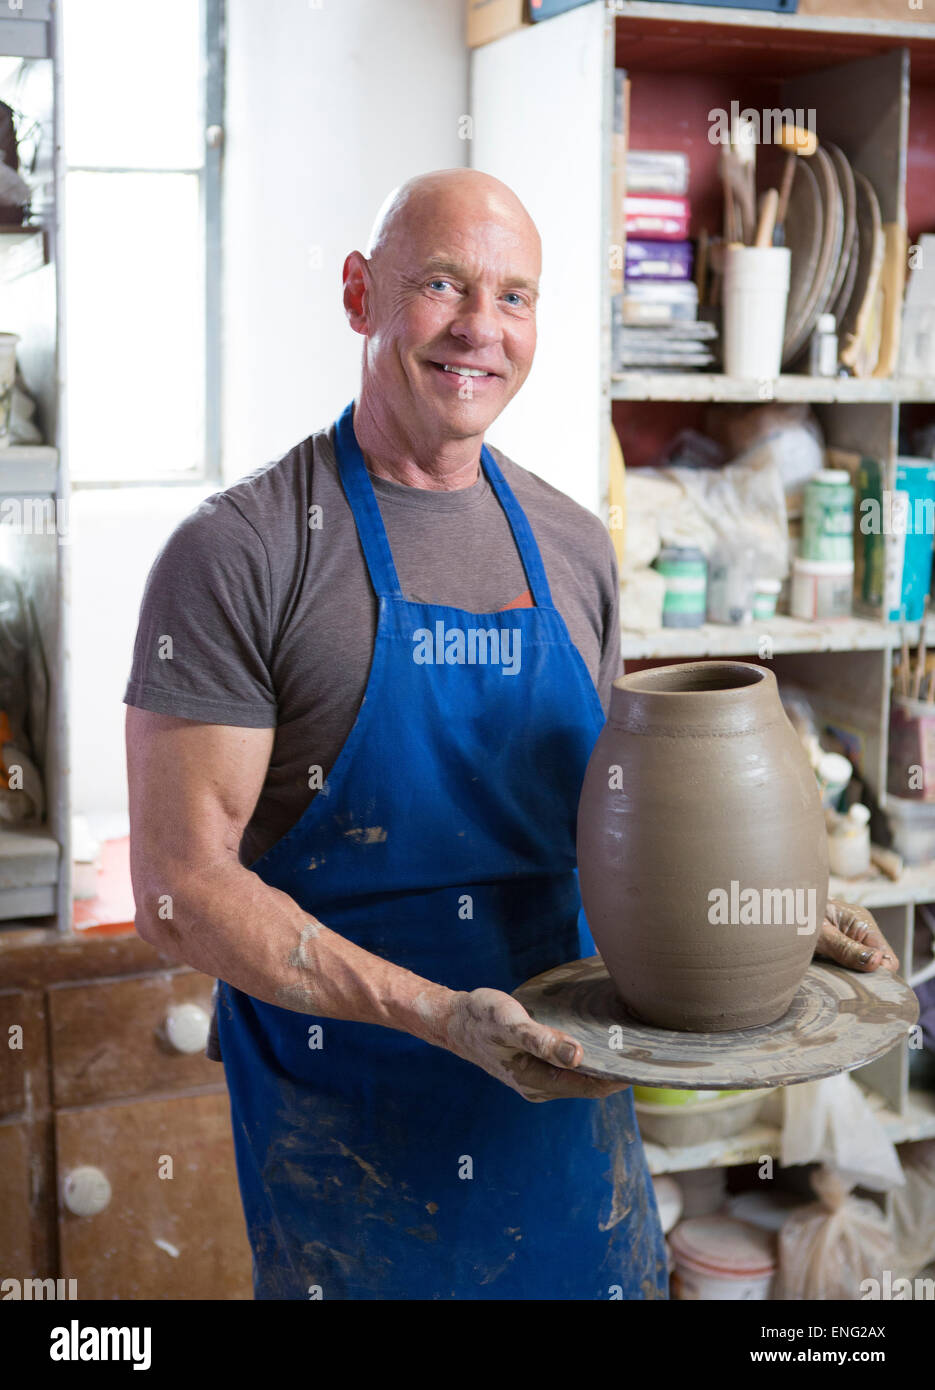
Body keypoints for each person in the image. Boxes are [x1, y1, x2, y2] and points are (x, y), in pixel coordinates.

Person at [124, 168, 898, 1300]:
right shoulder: (241, 554)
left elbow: (614, 822)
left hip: (571, 1143)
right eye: (441, 285)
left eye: (515, 297)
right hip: (358, 1158)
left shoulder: (573, 546)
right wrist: (438, 1016)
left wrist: (766, 908)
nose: (480, 328)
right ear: (359, 295)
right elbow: (178, 891)